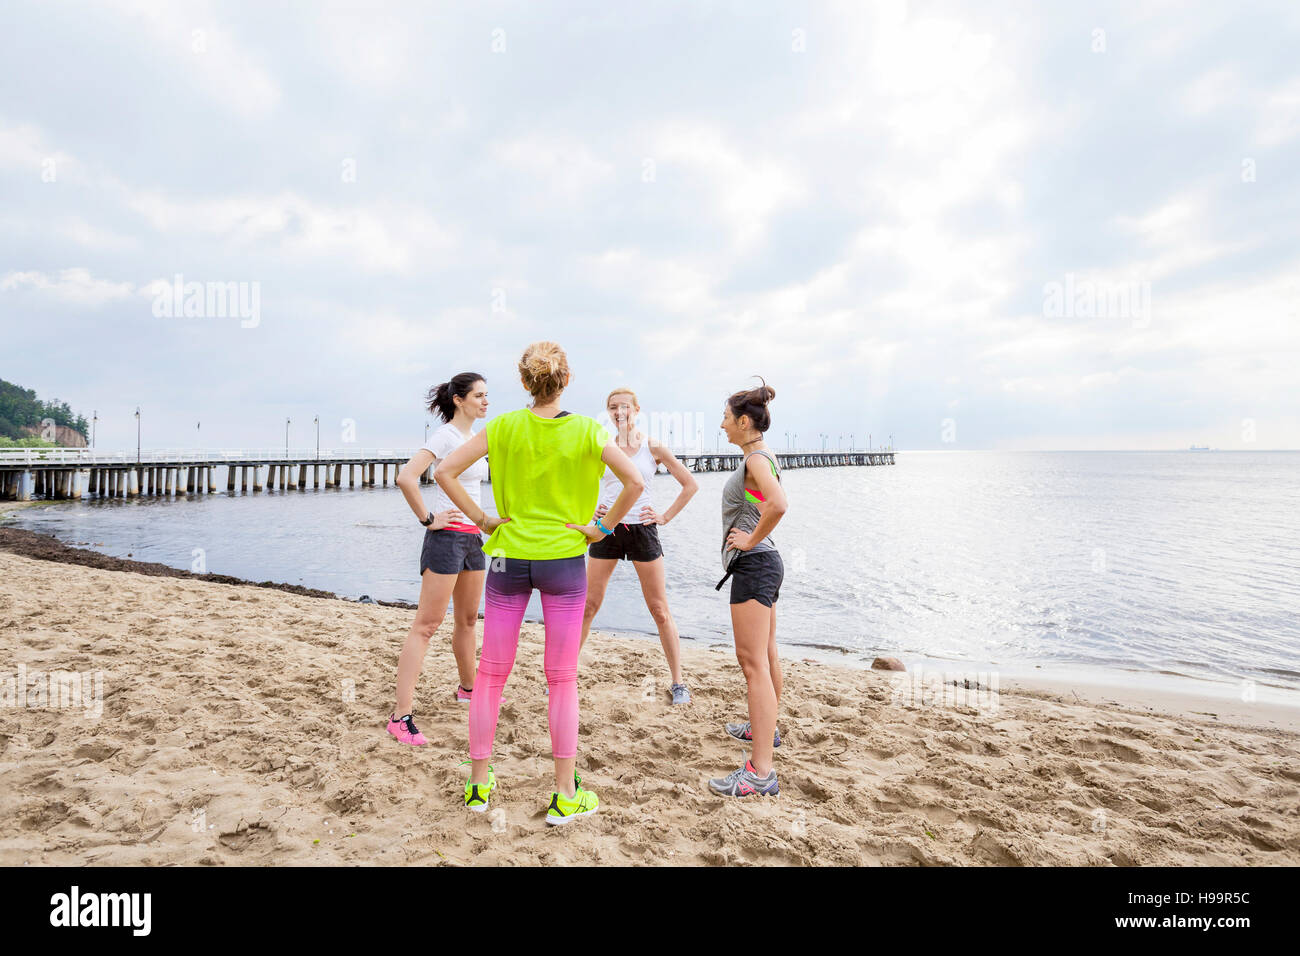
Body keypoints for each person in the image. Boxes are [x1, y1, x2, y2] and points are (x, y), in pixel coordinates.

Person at [435, 341, 644, 824]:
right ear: (565, 381)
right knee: (561, 678)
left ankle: (478, 787)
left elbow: (444, 471)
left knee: (490, 675)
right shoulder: (589, 431)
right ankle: (565, 796)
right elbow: (634, 482)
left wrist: (482, 520)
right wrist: (603, 528)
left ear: (525, 383)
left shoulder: (503, 426)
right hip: (564, 562)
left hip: (508, 559)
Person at [386, 373, 490, 746]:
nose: (485, 401)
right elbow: (407, 477)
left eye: (487, 395)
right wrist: (429, 519)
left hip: (472, 541)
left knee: (466, 621)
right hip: (445, 539)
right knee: (426, 626)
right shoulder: (446, 436)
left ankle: (468, 689)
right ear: (459, 400)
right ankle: (400, 717)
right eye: (479, 395)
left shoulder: (477, 439)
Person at [580, 388, 698, 704]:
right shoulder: (601, 446)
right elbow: (580, 484)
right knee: (589, 605)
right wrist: (589, 509)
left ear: (636, 409)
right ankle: (564, 675)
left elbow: (690, 484)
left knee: (659, 609)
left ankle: (678, 683)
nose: (619, 412)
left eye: (624, 407)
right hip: (607, 530)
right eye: (612, 407)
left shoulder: (652, 446)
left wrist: (665, 516)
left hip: (643, 530)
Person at [708, 380, 788, 798]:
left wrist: (751, 540)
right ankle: (765, 732)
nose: (721, 426)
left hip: (756, 565)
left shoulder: (756, 459)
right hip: (766, 564)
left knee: (751, 662)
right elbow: (764, 503)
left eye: (725, 418)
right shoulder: (762, 456)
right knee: (766, 655)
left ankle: (760, 773)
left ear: (743, 421)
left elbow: (777, 503)